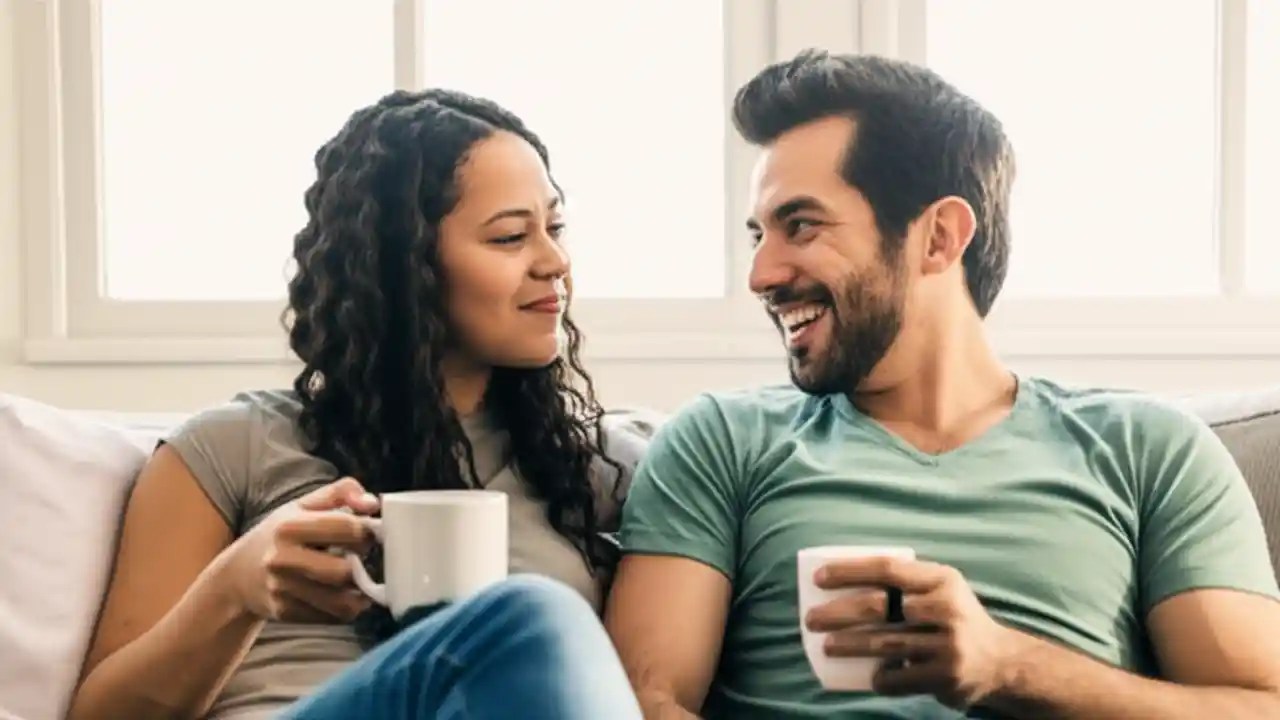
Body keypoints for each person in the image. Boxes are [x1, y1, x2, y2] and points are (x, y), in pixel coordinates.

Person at [605, 50, 1280, 719]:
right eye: (759, 235)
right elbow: (640, 704)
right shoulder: (720, 442)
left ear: (939, 237)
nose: (761, 274)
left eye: (801, 226)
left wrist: (1008, 667)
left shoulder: (1148, 450)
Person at [68, 88, 645, 720]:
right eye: (510, 237)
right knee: (533, 613)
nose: (555, 261)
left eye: (554, 228)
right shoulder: (232, 448)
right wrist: (235, 591)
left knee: (535, 620)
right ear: (405, 262)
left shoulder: (591, 474)